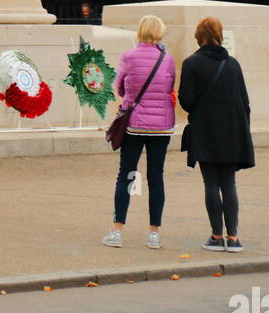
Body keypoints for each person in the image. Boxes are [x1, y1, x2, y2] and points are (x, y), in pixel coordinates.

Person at [178, 16, 254, 253]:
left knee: (210, 184)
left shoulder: (191, 63)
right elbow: (245, 102)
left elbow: (186, 101)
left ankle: (215, 236)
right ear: (220, 35)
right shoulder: (233, 64)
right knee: (229, 184)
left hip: (205, 130)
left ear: (198, 36)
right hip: (232, 131)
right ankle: (233, 238)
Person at [103, 15, 176, 249]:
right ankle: (154, 233)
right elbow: (170, 87)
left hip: (134, 123)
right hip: (161, 126)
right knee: (156, 177)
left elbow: (119, 87)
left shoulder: (128, 56)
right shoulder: (168, 59)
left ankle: (117, 231)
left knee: (126, 174)